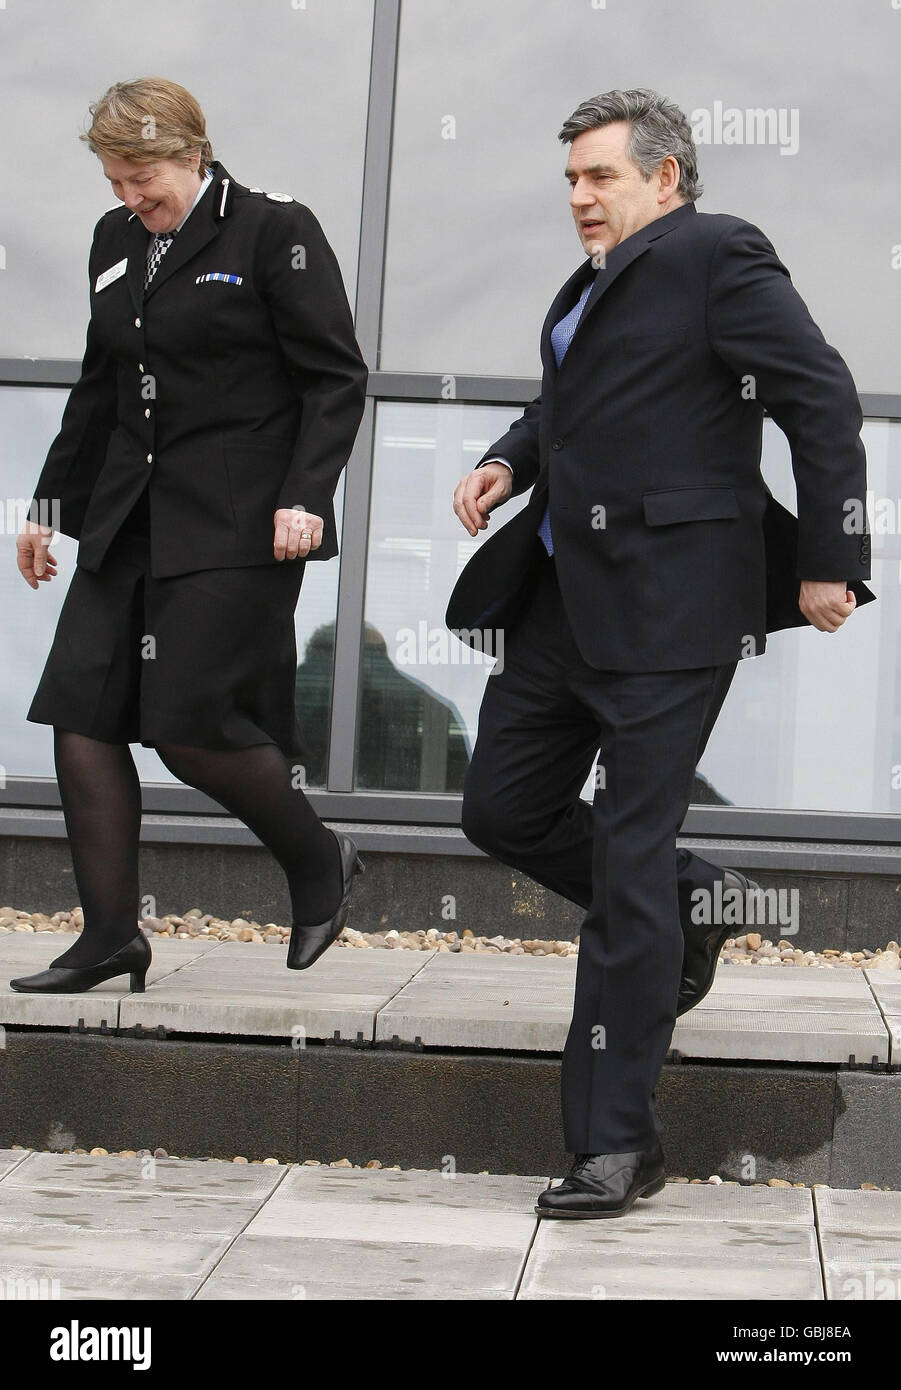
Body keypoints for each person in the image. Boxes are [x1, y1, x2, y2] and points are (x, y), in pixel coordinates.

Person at [447, 89, 874, 1219]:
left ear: (666, 177)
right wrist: (506, 459)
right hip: (559, 605)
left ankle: (615, 1142)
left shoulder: (718, 256)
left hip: (675, 610)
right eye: (572, 182)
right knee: (498, 806)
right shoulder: (592, 286)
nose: (580, 199)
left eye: (600, 178)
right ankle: (701, 900)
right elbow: (576, 409)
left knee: (628, 866)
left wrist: (827, 554)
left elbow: (818, 393)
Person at [12, 77, 368, 995]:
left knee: (192, 730)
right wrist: (51, 509)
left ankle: (319, 859)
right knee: (82, 718)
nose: (131, 198)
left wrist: (306, 495)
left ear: (192, 154)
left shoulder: (272, 231)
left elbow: (334, 377)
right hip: (129, 517)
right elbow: (99, 390)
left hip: (241, 522)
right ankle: (110, 936)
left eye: (143, 178)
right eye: (115, 182)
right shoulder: (114, 241)